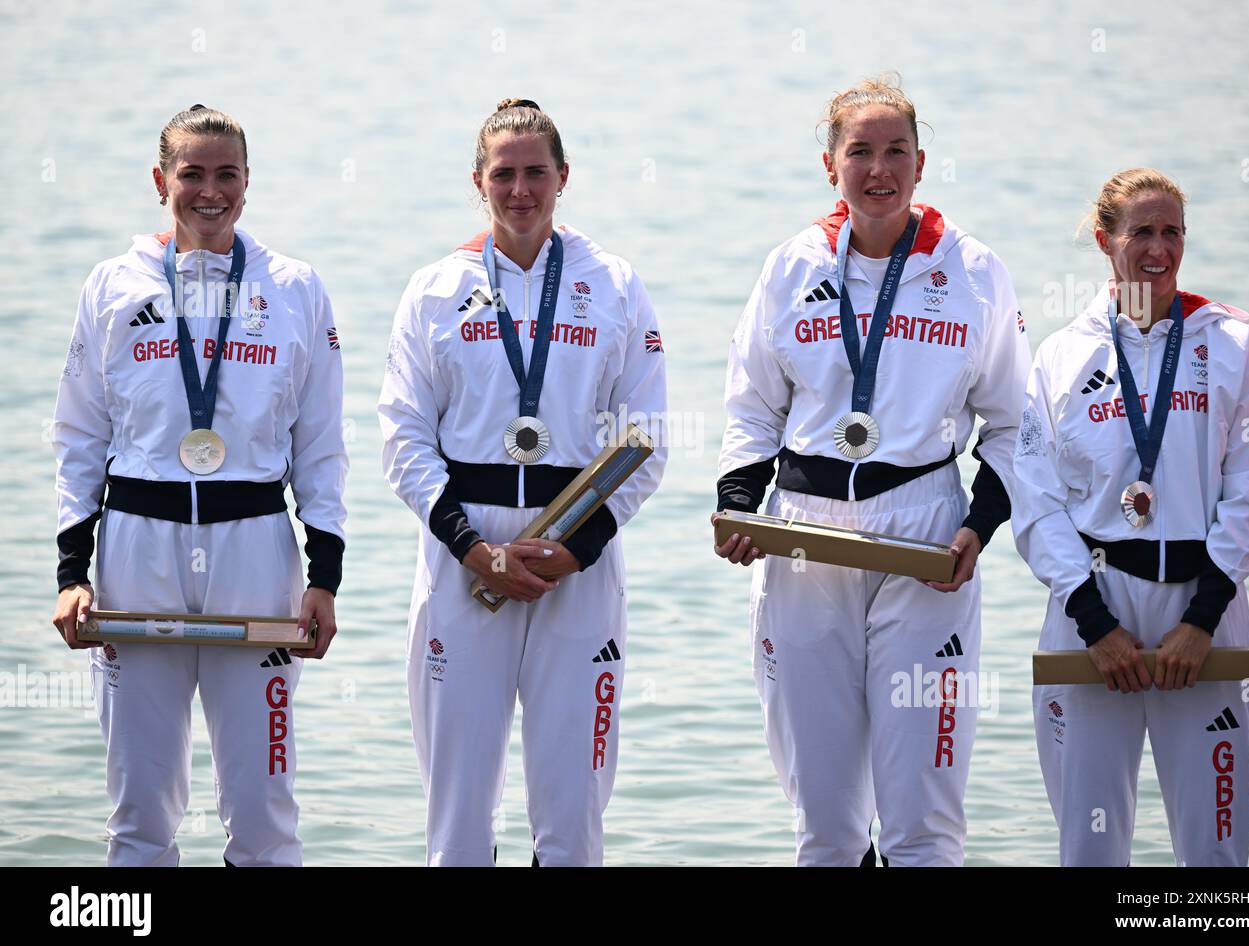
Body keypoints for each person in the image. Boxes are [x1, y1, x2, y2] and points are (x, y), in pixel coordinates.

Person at [713, 76, 1030, 866]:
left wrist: (977, 528)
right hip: (803, 541)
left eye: (896, 152)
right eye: (860, 151)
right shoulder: (791, 267)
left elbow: (1016, 424)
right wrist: (738, 503)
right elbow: (752, 409)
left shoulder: (974, 270)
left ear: (922, 164)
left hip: (924, 544)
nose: (878, 170)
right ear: (831, 165)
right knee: (825, 827)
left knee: (923, 820)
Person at [50, 105, 347, 867]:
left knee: (264, 815)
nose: (208, 192)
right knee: (139, 815)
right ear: (161, 181)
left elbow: (320, 447)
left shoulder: (295, 288)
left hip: (255, 554)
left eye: (226, 175)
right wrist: (69, 574)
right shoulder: (112, 285)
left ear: (248, 183)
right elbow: (80, 437)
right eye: (192, 174)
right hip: (134, 555)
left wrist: (326, 578)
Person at [378, 98, 667, 867]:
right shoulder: (434, 289)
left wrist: (577, 550)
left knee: (571, 820)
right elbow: (402, 438)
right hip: (463, 560)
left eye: (536, 172)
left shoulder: (613, 284)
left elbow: (646, 442)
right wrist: (474, 550)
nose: (520, 190)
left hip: (574, 559)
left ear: (563, 177)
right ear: (478, 180)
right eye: (503, 173)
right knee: (459, 821)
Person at [1011, 168, 1249, 866]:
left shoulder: (1233, 344)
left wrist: (1202, 619)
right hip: (1092, 612)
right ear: (1105, 240)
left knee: (1216, 859)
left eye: (1173, 232)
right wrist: (1095, 627)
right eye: (1141, 233)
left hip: (1205, 612)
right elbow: (1036, 506)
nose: (1158, 250)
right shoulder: (1061, 356)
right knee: (1090, 852)